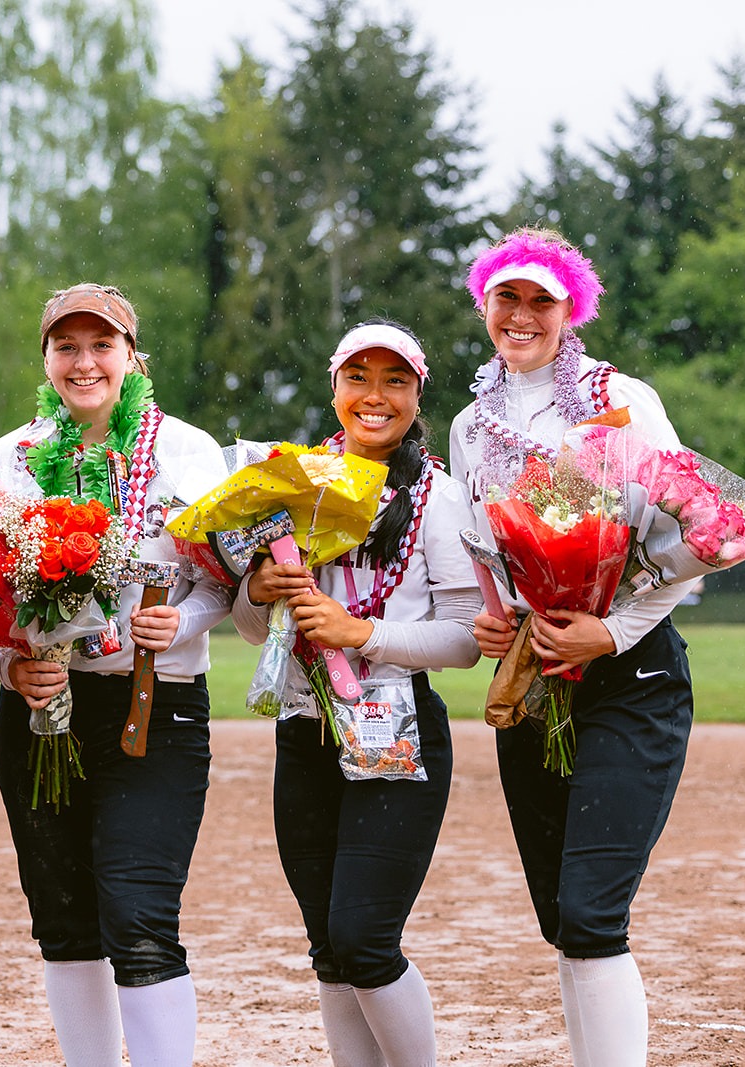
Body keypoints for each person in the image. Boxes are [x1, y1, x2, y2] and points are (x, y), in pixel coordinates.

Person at [448, 227, 694, 1067]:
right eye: (505, 298)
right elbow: (489, 557)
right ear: (486, 304)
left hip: (634, 674)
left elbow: (703, 530)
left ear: (570, 308)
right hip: (539, 682)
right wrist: (497, 623)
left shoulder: (620, 398)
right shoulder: (467, 427)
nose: (521, 315)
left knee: (593, 912)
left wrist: (610, 628)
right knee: (563, 915)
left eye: (540, 300)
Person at [0, 283, 231, 1067]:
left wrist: (181, 621)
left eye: (101, 345)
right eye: (67, 347)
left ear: (132, 355)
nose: (84, 361)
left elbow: (225, 578)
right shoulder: (9, 457)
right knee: (63, 916)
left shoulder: (188, 449)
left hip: (154, 706)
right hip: (42, 713)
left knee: (140, 912)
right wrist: (13, 664)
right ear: (47, 359)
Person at [233, 322, 480, 1066]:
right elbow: (250, 627)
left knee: (366, 937)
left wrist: (360, 632)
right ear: (335, 388)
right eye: (358, 378)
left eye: (395, 380)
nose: (375, 397)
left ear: (417, 393)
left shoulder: (438, 495)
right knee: (330, 948)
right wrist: (257, 587)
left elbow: (466, 638)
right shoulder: (290, 480)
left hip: (397, 728)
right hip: (308, 728)